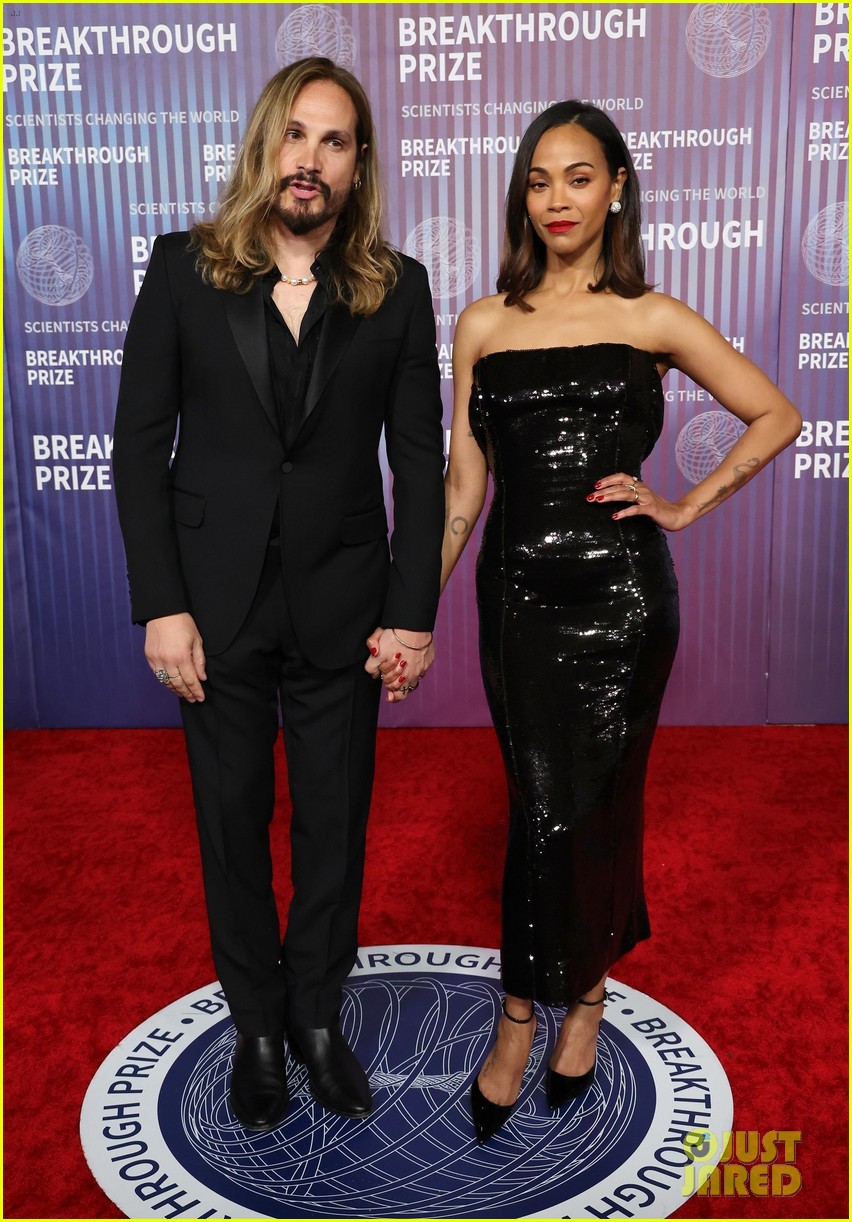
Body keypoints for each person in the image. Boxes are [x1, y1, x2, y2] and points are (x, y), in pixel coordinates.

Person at [440, 100, 801, 1144]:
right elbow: (465, 483)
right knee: (538, 803)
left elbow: (777, 412)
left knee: (598, 803)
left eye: (579, 176)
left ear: (617, 189)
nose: (557, 198)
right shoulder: (483, 322)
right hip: (514, 600)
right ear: (524, 194)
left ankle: (576, 1002)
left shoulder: (654, 317)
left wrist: (685, 504)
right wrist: (408, 606)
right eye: (540, 179)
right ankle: (522, 1013)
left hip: (624, 602)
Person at [112, 57, 445, 1133]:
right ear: (266, 146)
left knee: (334, 825)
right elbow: (138, 446)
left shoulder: (397, 288)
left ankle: (316, 1019)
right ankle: (256, 1025)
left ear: (358, 166)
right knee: (231, 818)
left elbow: (421, 465)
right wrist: (161, 603)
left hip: (346, 608)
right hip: (212, 609)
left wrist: (410, 612)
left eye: (336, 141)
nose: (311, 159)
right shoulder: (181, 269)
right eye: (296, 135)